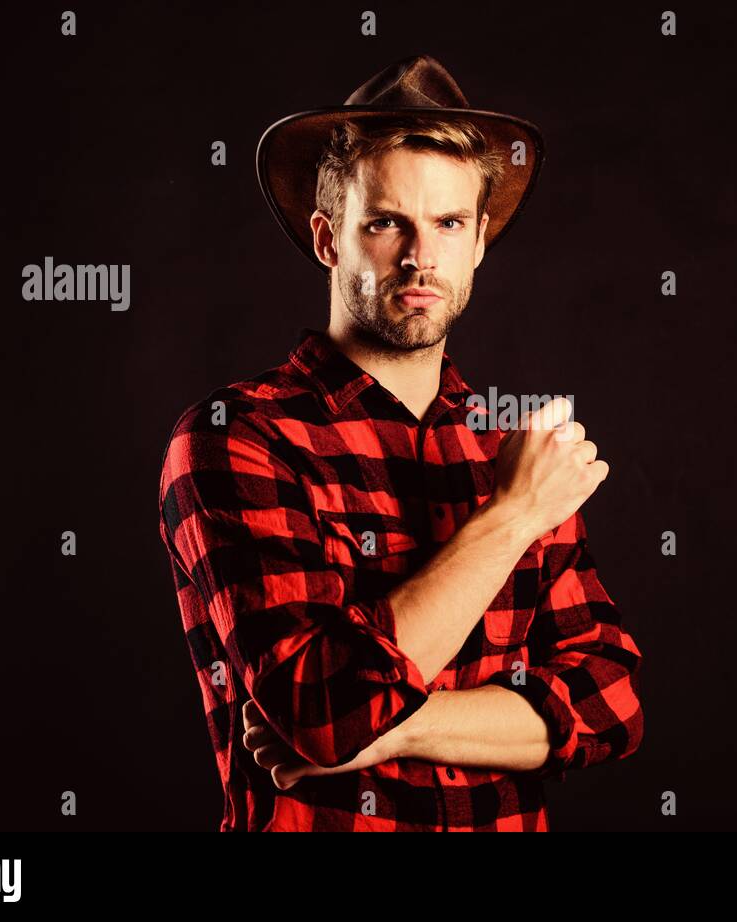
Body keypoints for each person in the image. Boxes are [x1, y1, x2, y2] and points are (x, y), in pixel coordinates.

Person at [157, 54, 643, 831]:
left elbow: (610, 701)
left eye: (449, 224)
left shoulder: (507, 447)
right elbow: (324, 715)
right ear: (327, 238)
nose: (421, 257)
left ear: (479, 240)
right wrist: (511, 518)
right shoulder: (239, 438)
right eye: (386, 223)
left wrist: (404, 725)